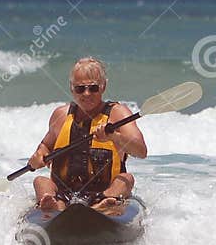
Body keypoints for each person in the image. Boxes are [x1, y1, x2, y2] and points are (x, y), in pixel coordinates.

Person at [28, 57, 147, 211]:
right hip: (64, 192)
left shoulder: (118, 113)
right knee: (40, 181)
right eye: (80, 88)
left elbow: (141, 151)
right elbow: (45, 146)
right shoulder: (61, 115)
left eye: (93, 88)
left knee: (126, 179)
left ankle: (104, 203)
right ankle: (54, 205)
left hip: (105, 191)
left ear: (103, 86)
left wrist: (114, 137)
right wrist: (39, 155)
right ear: (72, 88)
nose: (86, 93)